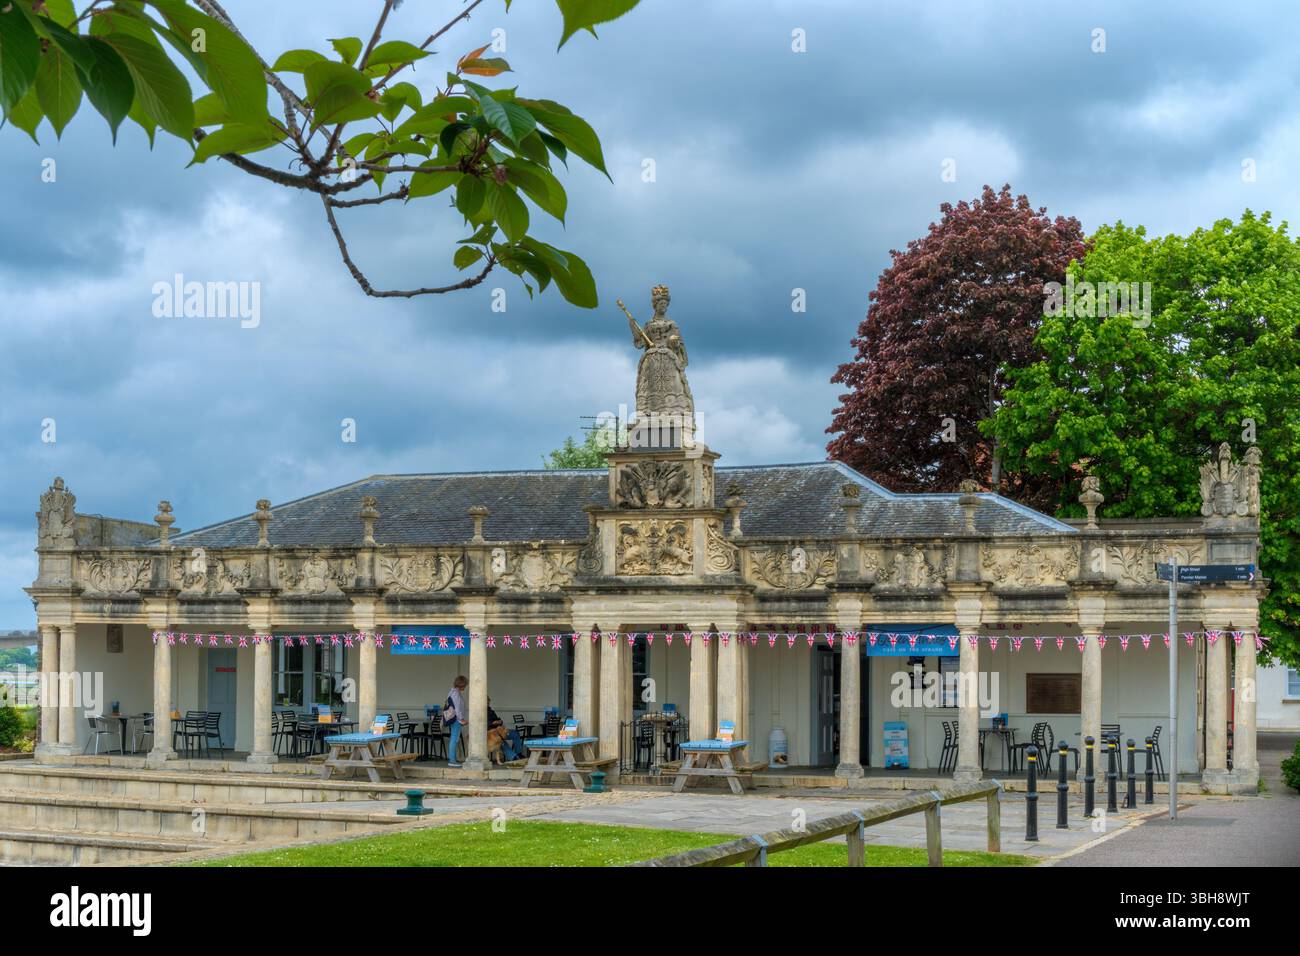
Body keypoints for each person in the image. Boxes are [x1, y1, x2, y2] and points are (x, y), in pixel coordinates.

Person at [486, 697, 524, 762]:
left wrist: (500, 721)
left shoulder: (490, 711)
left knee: (515, 733)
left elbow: (497, 719)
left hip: (500, 730)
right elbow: (483, 723)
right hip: (491, 733)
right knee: (501, 741)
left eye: (488, 702)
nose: (488, 704)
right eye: (487, 702)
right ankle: (513, 757)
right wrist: (493, 723)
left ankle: (519, 753)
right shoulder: (480, 711)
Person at [444, 675, 468, 768]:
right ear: (461, 684)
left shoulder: (452, 692)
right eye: (465, 685)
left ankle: (453, 759)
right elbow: (457, 709)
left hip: (455, 719)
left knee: (454, 738)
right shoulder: (456, 694)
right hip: (456, 720)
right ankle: (452, 760)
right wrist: (462, 719)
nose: (465, 687)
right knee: (454, 739)